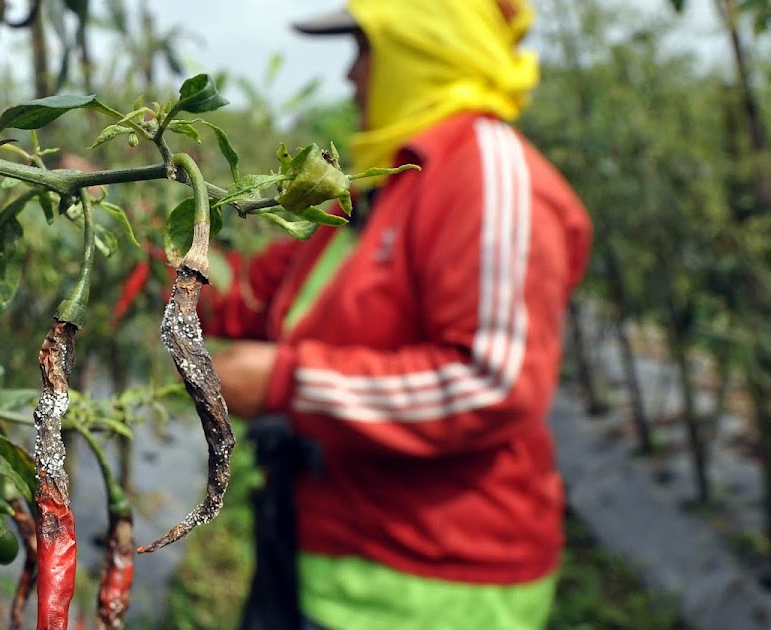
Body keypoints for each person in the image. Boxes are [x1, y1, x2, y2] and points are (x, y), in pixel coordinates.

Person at [200, 2, 593, 629]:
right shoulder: (379, 190)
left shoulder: (485, 172)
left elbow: (493, 380)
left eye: (366, 48)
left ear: (424, 45)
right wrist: (132, 238)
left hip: (437, 587)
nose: (351, 75)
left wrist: (286, 383)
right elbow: (247, 294)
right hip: (329, 552)